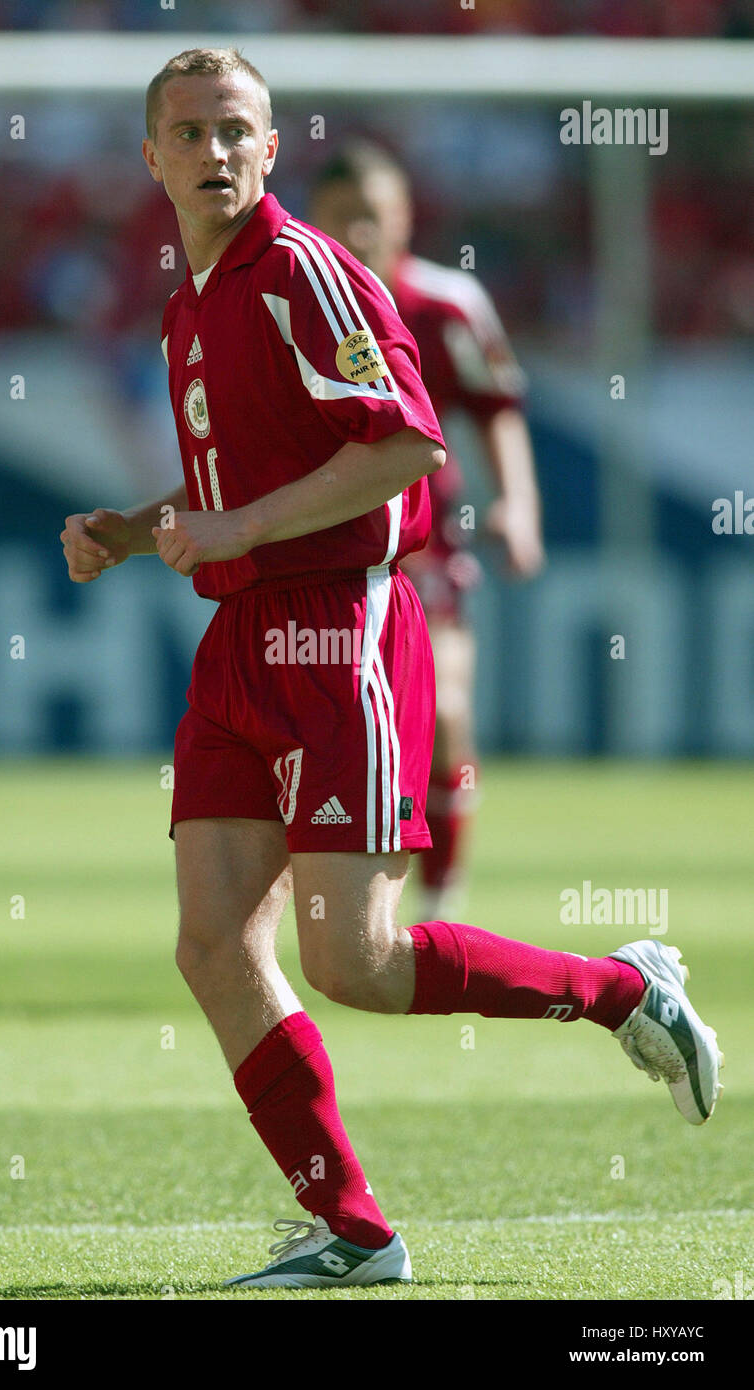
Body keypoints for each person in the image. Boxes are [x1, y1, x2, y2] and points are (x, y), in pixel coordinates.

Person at [60, 48, 723, 1290]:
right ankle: (354, 1232)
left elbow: (407, 445)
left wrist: (236, 529)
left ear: (270, 147)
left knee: (352, 961)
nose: (214, 152)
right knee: (211, 948)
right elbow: (227, 488)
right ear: (149, 158)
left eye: (235, 130)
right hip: (238, 643)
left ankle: (620, 990)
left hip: (339, 631)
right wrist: (127, 525)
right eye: (188, 133)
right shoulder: (189, 302)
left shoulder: (302, 272)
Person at [310, 140, 544, 920]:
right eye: (343, 219)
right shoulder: (295, 304)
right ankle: (311, 912)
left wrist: (517, 503)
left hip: (424, 545)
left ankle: (441, 912)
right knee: (326, 730)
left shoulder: (446, 304)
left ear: (404, 217)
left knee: (443, 713)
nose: (360, 234)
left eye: (372, 217)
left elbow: (495, 407)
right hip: (319, 551)